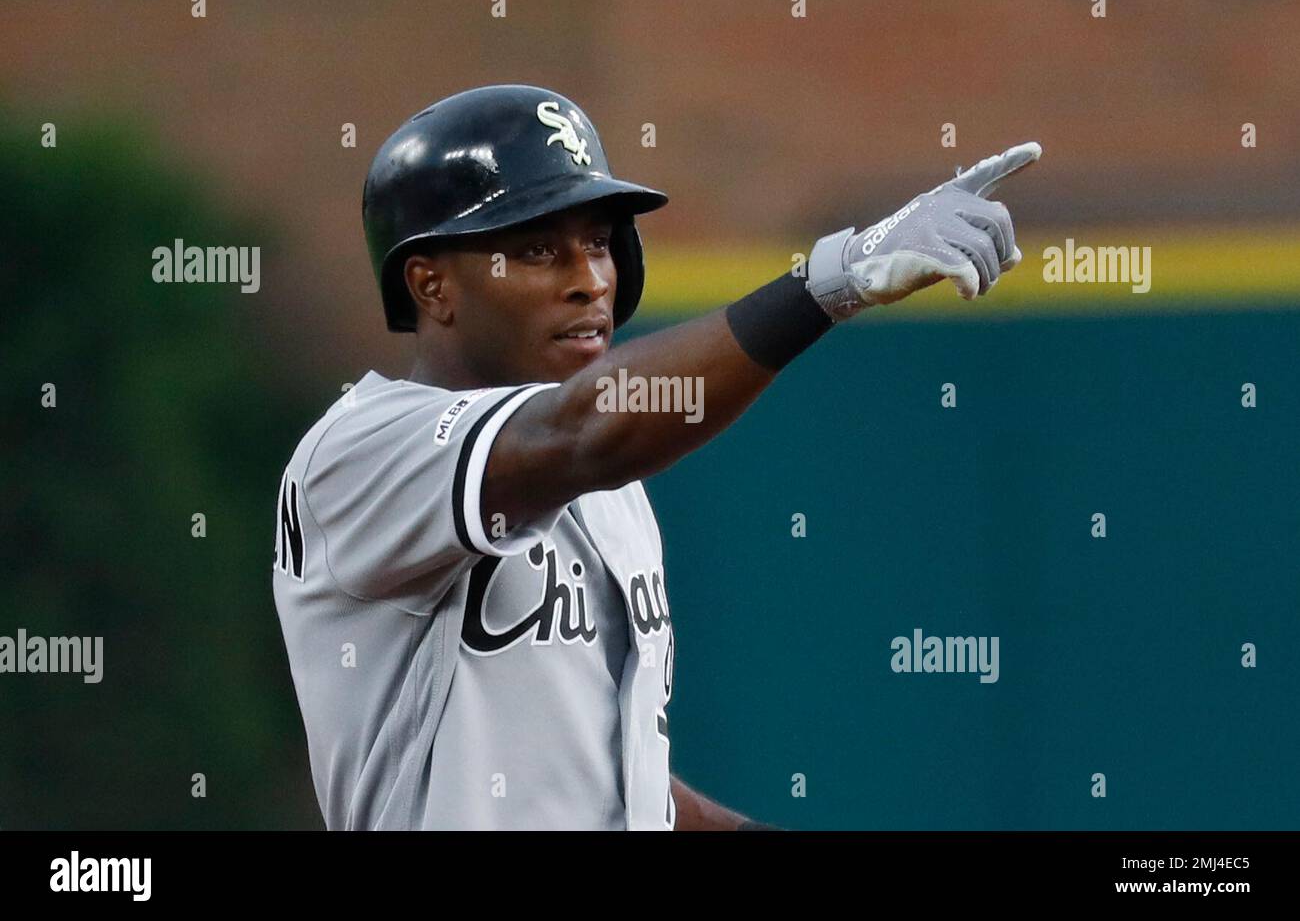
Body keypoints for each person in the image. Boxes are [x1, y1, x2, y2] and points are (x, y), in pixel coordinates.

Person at [271, 84, 1041, 830]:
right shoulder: (360, 452)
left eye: (600, 244)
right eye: (539, 249)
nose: (589, 281)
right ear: (431, 284)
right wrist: (831, 281)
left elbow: (606, 779)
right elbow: (586, 428)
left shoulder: (608, 491)